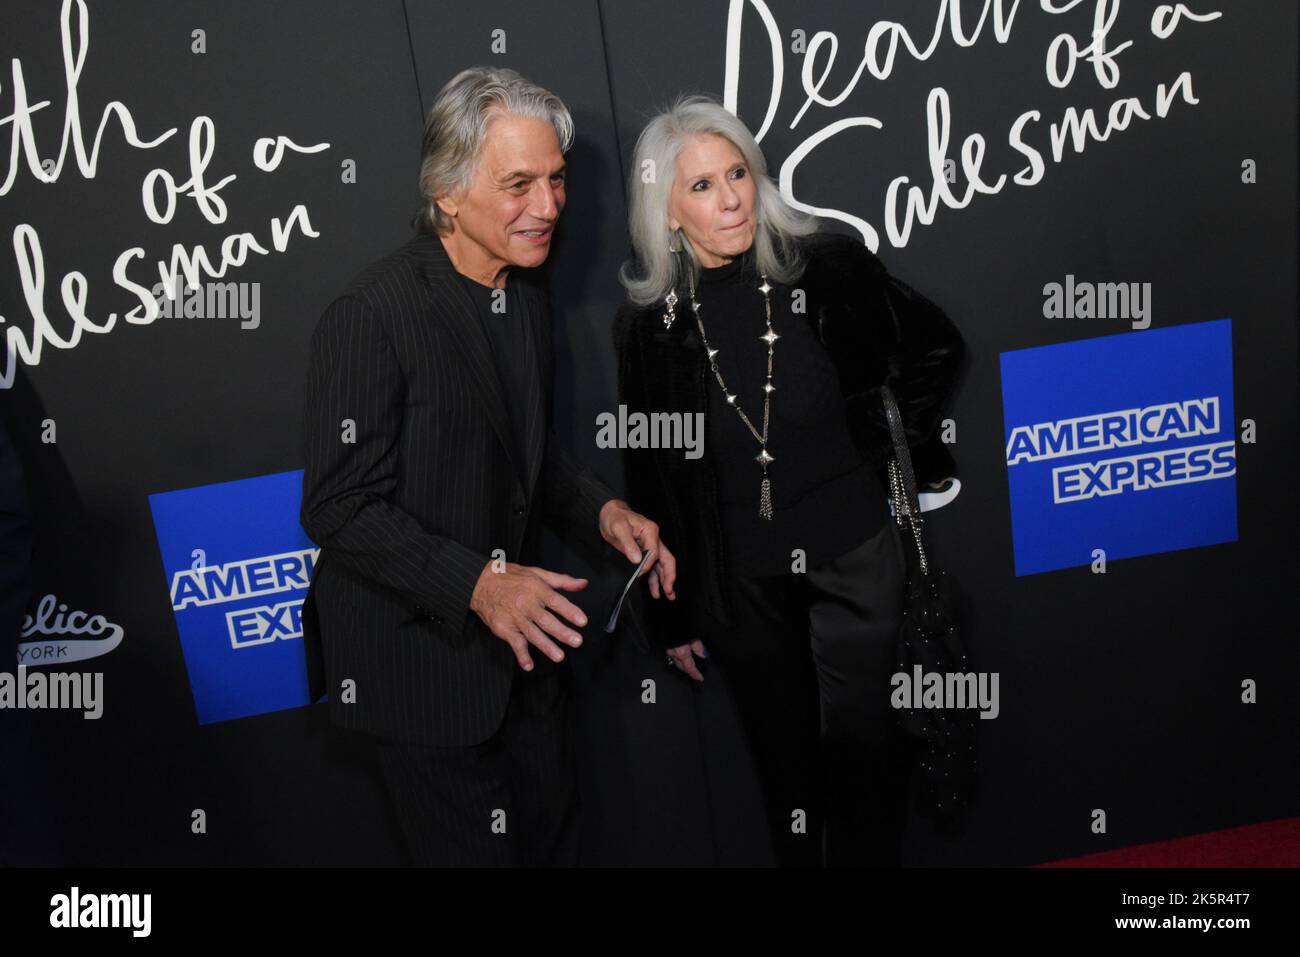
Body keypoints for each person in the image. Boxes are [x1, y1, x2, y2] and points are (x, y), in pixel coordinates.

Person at [299, 66, 674, 867]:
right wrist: (480, 584)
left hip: (523, 656)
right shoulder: (370, 316)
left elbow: (524, 457)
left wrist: (603, 513)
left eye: (557, 180)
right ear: (446, 192)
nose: (548, 207)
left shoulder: (524, 295)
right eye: (518, 184)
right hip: (419, 667)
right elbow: (338, 506)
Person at [613, 94, 965, 867]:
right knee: (786, 769)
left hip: (854, 552)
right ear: (666, 211)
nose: (731, 196)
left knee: (866, 750)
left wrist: (888, 434)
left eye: (737, 172)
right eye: (701, 186)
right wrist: (670, 615)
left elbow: (935, 345)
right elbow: (654, 473)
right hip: (741, 578)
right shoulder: (652, 327)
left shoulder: (828, 267)